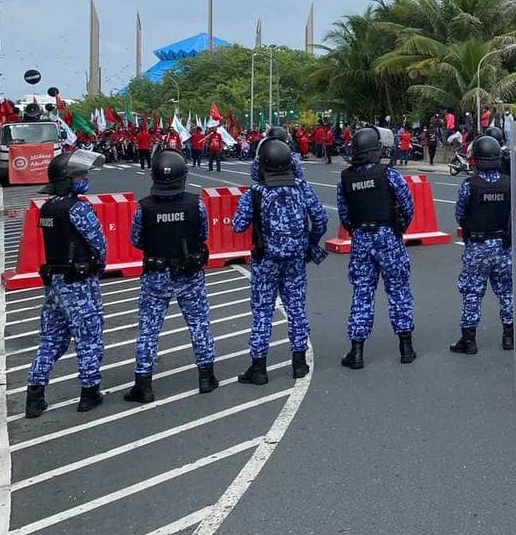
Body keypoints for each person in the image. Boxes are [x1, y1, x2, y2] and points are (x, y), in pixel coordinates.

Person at [122, 151, 217, 403]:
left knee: (149, 330)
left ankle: (143, 385)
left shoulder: (144, 207)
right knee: (198, 324)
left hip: (156, 275)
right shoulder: (196, 203)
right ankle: (206, 376)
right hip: (189, 273)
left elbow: (136, 240)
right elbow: (203, 233)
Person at [232, 138, 328, 385]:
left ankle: (259, 368)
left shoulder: (255, 193)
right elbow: (320, 219)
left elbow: (238, 226)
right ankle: (299, 362)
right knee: (296, 307)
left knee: (263, 312)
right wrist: (310, 242)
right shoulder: (301, 188)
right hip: (296, 258)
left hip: (266, 260)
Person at [25, 150, 107, 417]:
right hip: (79, 283)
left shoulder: (47, 208)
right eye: (79, 175)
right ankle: (89, 392)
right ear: (66, 180)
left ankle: (34, 394)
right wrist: (98, 265)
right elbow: (98, 243)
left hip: (54, 283)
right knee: (89, 337)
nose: (84, 179)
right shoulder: (78, 208)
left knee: (51, 340)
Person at [336, 128, 417, 369]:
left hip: (361, 237)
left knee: (362, 293)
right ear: (376, 151)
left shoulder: (346, 178)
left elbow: (344, 214)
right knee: (399, 290)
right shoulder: (389, 174)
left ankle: (357, 352)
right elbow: (407, 204)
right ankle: (406, 347)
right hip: (388, 237)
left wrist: (358, 231)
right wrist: (399, 228)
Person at [449, 135, 514, 355]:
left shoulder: (470, 185)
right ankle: (509, 336)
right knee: (506, 291)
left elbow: (460, 214)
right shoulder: (509, 183)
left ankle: (469, 341)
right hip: (503, 246)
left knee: (472, 293)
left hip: (477, 246)